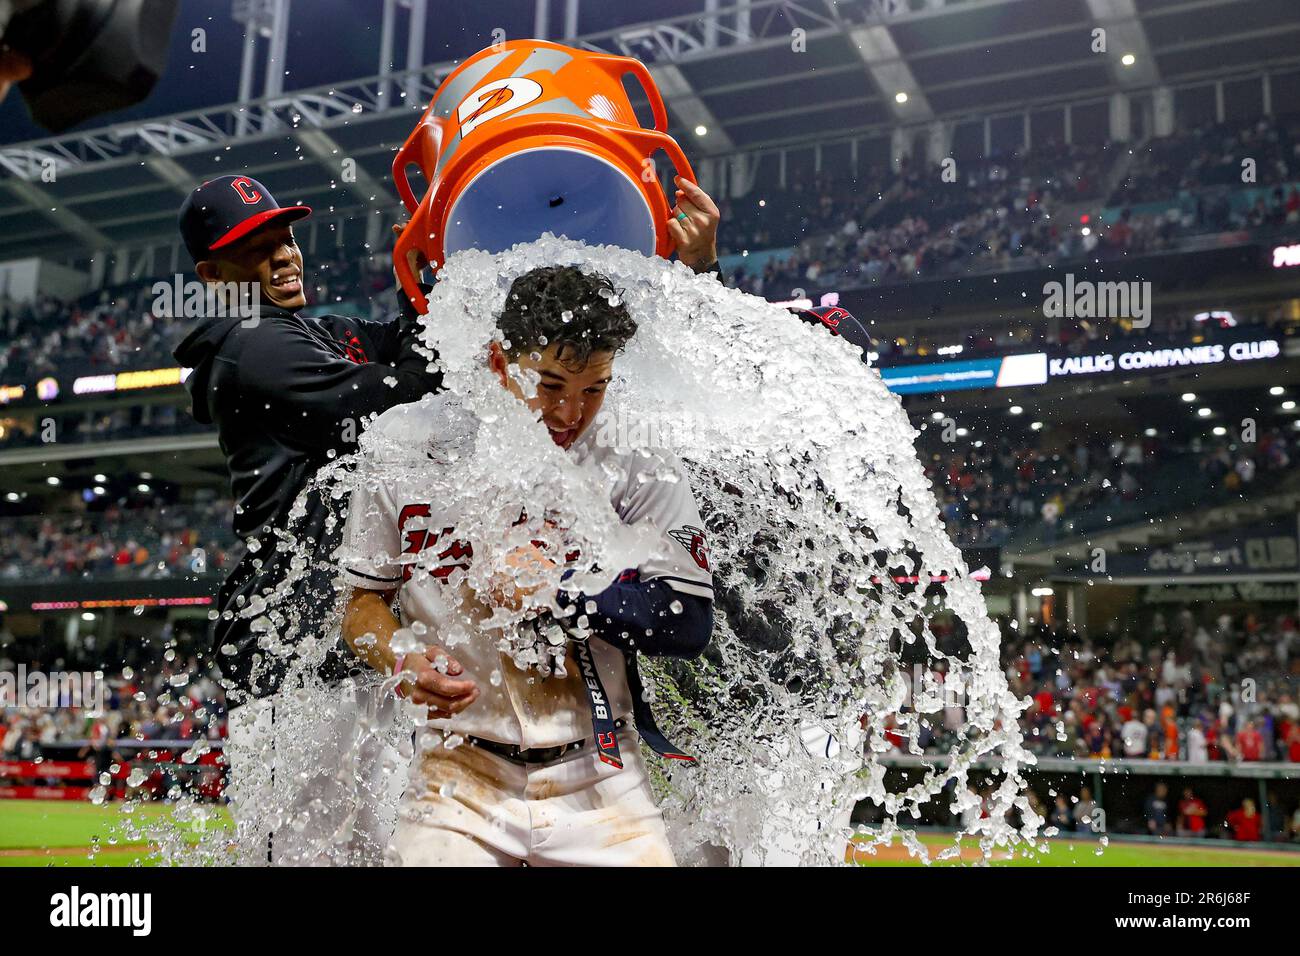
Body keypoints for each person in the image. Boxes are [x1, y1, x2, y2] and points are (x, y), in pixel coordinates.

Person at [338, 265, 715, 866]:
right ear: (498, 363)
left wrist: (559, 592)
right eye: (550, 384)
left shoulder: (635, 451)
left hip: (600, 769)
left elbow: (688, 621)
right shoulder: (405, 443)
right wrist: (400, 658)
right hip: (456, 766)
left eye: (594, 389)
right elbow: (361, 606)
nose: (571, 413)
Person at [173, 174, 443, 864]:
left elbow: (421, 338)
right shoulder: (252, 344)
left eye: (283, 236)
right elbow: (409, 394)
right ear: (213, 272)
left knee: (382, 851)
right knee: (302, 855)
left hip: (352, 630)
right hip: (291, 638)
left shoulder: (319, 332)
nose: (283, 253)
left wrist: (434, 273)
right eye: (255, 246)